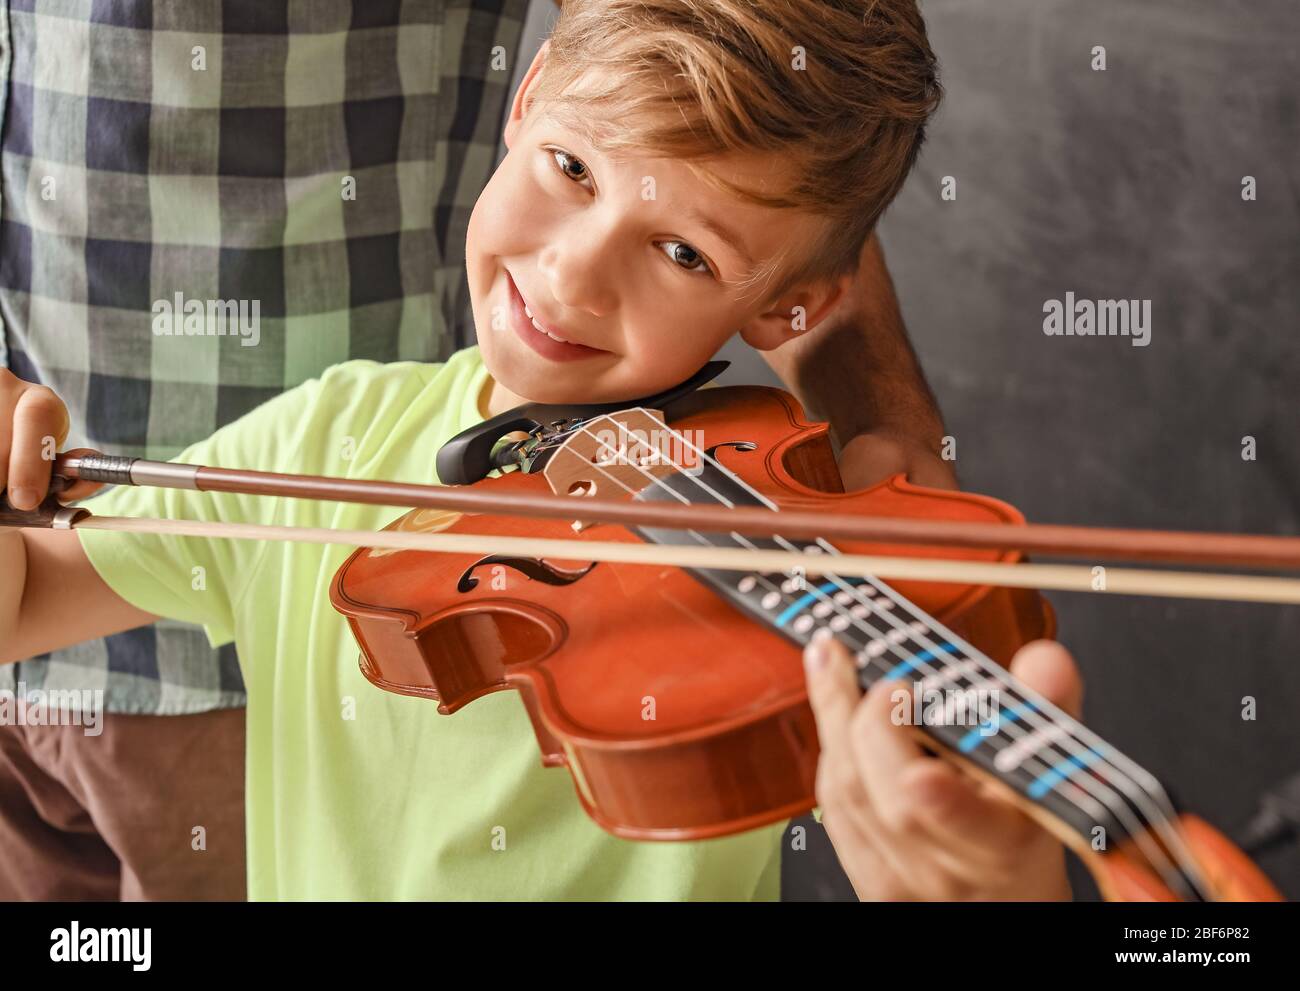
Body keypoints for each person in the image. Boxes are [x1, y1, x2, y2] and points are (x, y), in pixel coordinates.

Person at [1, 0, 975, 900]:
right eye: (573, 169)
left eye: (684, 253)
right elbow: (25, 598)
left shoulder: (779, 530)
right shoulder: (326, 435)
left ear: (788, 308)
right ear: (531, 94)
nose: (574, 276)